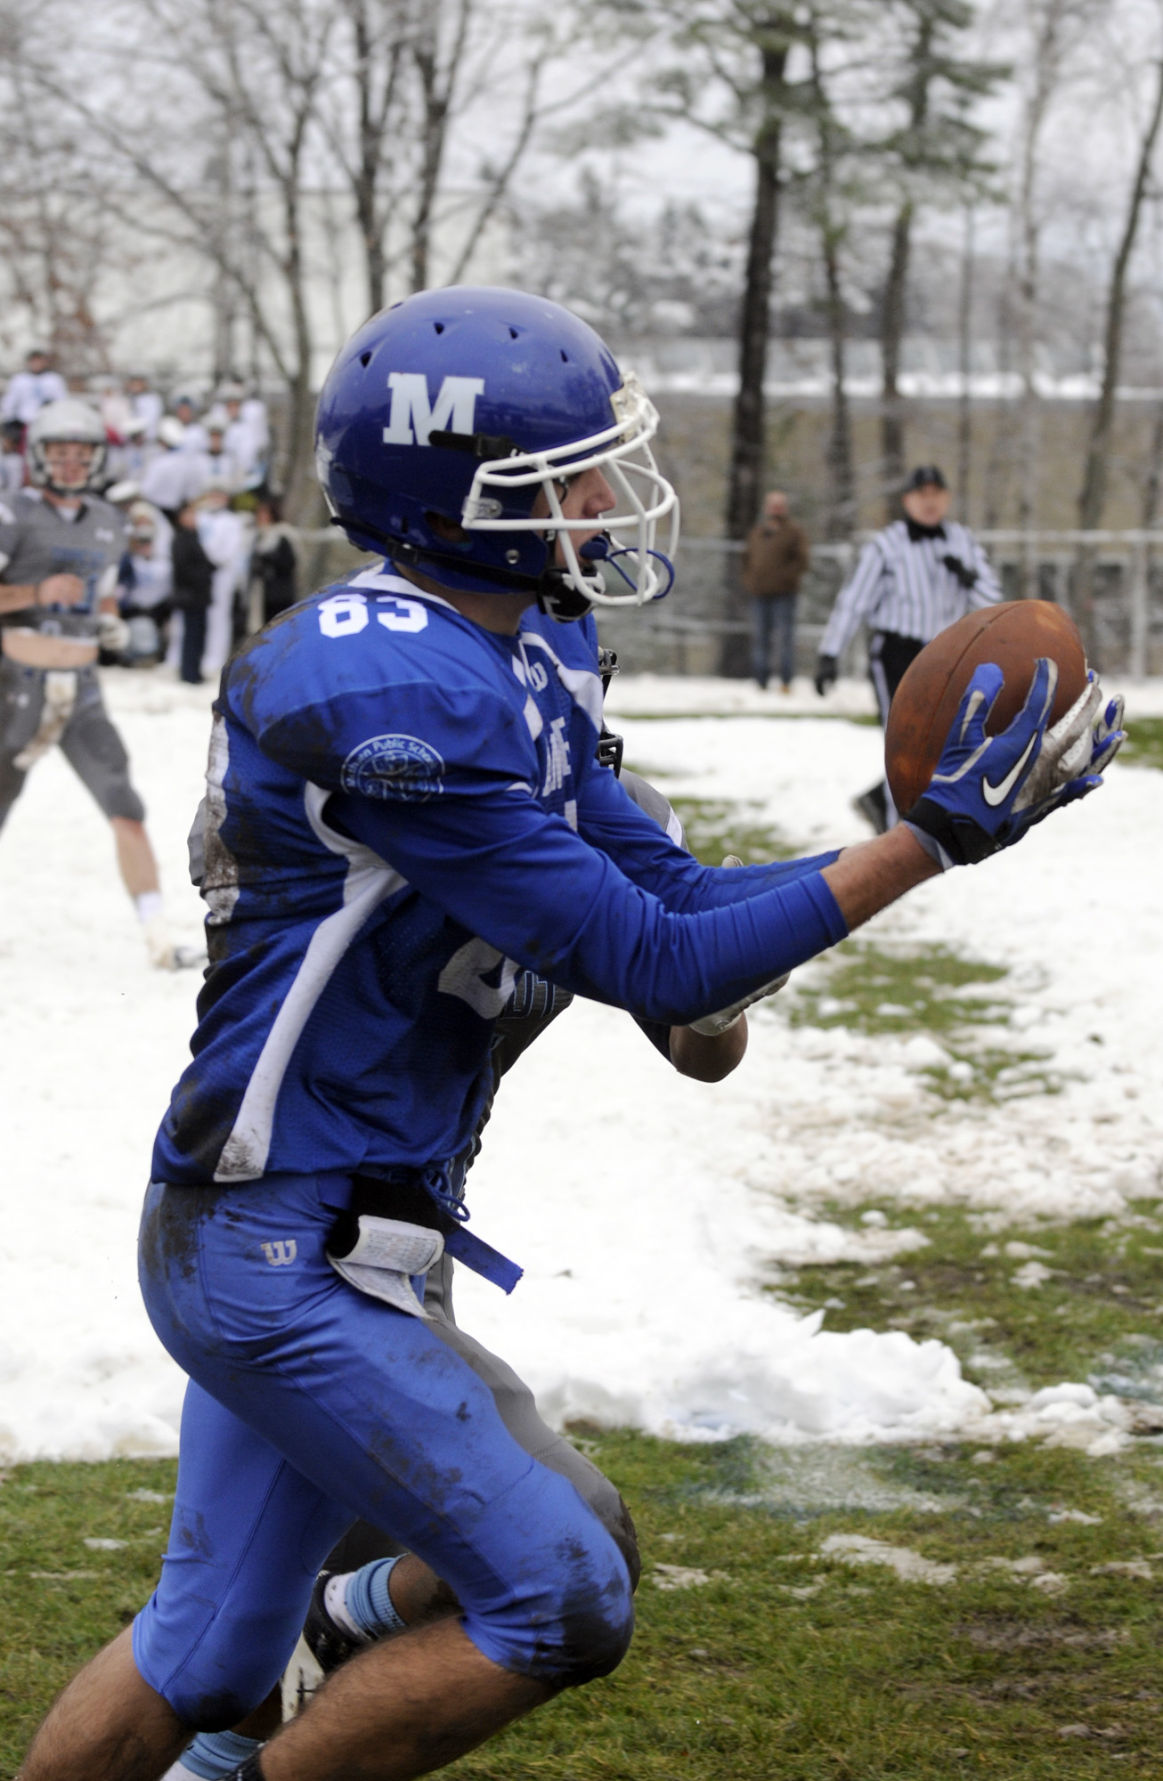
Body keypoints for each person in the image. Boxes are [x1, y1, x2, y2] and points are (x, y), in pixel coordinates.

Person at [19, 287, 1121, 1781]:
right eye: (558, 478)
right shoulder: (385, 684)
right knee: (560, 1590)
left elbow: (661, 899)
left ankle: (321, 1631)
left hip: (344, 1226)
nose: (601, 501)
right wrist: (917, 843)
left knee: (206, 1650)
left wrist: (826, 890)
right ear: (449, 495)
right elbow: (648, 950)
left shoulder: (523, 652)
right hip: (271, 1240)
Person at [0, 399, 180, 968]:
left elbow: (102, 591)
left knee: (123, 801)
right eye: (62, 454)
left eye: (83, 455)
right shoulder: (12, 513)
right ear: (40, 457)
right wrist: (34, 594)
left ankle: (157, 935)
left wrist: (109, 621)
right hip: (12, 681)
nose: (73, 464)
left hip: (79, 684)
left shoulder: (109, 520)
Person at [814, 464, 1003, 833]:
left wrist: (968, 576)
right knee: (903, 740)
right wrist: (830, 653)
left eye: (936, 494)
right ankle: (893, 830)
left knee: (942, 742)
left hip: (946, 655)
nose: (929, 502)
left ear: (946, 499)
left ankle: (886, 803)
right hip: (897, 654)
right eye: (921, 495)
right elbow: (855, 601)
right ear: (907, 501)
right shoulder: (887, 545)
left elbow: (993, 601)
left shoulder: (962, 541)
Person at [741, 488, 811, 691]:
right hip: (759, 594)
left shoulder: (794, 532)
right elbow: (746, 559)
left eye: (779, 505)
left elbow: (802, 561)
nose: (776, 509)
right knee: (760, 638)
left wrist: (783, 579)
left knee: (784, 639)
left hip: (784, 595)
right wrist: (750, 580)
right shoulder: (758, 532)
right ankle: (761, 681)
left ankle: (786, 681)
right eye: (772, 505)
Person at [169, 497, 216, 684]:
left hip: (199, 595)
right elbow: (183, 568)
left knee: (198, 635)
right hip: (190, 594)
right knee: (192, 635)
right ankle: (189, 673)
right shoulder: (181, 539)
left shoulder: (194, 537)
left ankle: (194, 671)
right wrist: (203, 573)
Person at [0, 347, 68, 431]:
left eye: (39, 360)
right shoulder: (19, 380)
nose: (36, 364)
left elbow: (62, 401)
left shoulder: (54, 380)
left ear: (45, 362)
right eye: (34, 361)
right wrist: (10, 419)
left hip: (47, 422)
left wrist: (52, 407)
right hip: (23, 423)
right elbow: (9, 402)